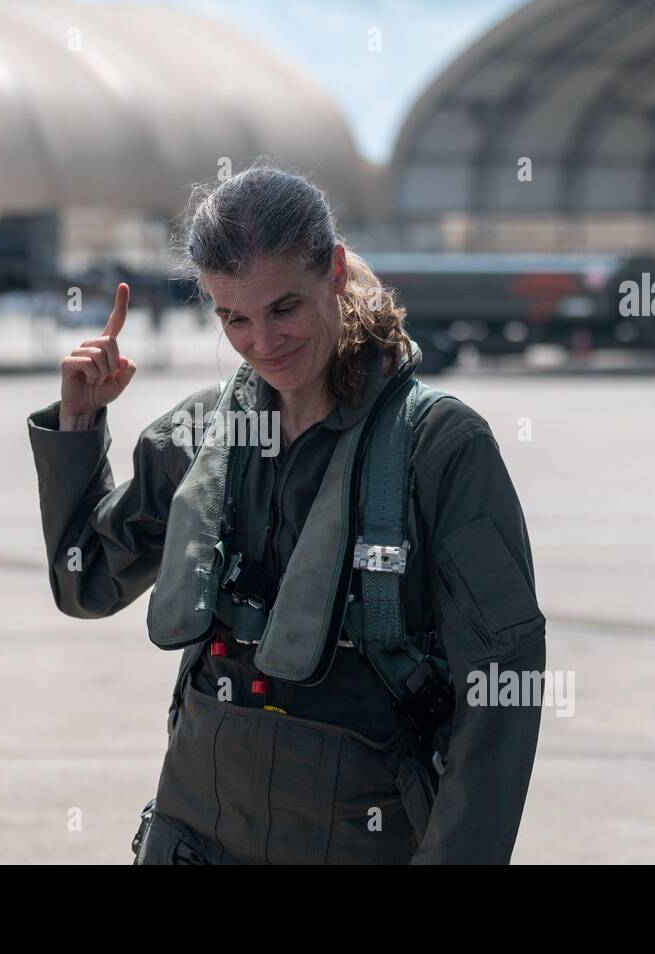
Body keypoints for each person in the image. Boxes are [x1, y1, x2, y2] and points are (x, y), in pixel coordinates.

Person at [27, 164, 547, 864]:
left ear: (334, 271)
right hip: (194, 835)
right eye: (232, 317)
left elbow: (500, 694)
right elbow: (84, 580)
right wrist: (79, 424)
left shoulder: (441, 450)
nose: (261, 342)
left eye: (284, 309)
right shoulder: (201, 435)